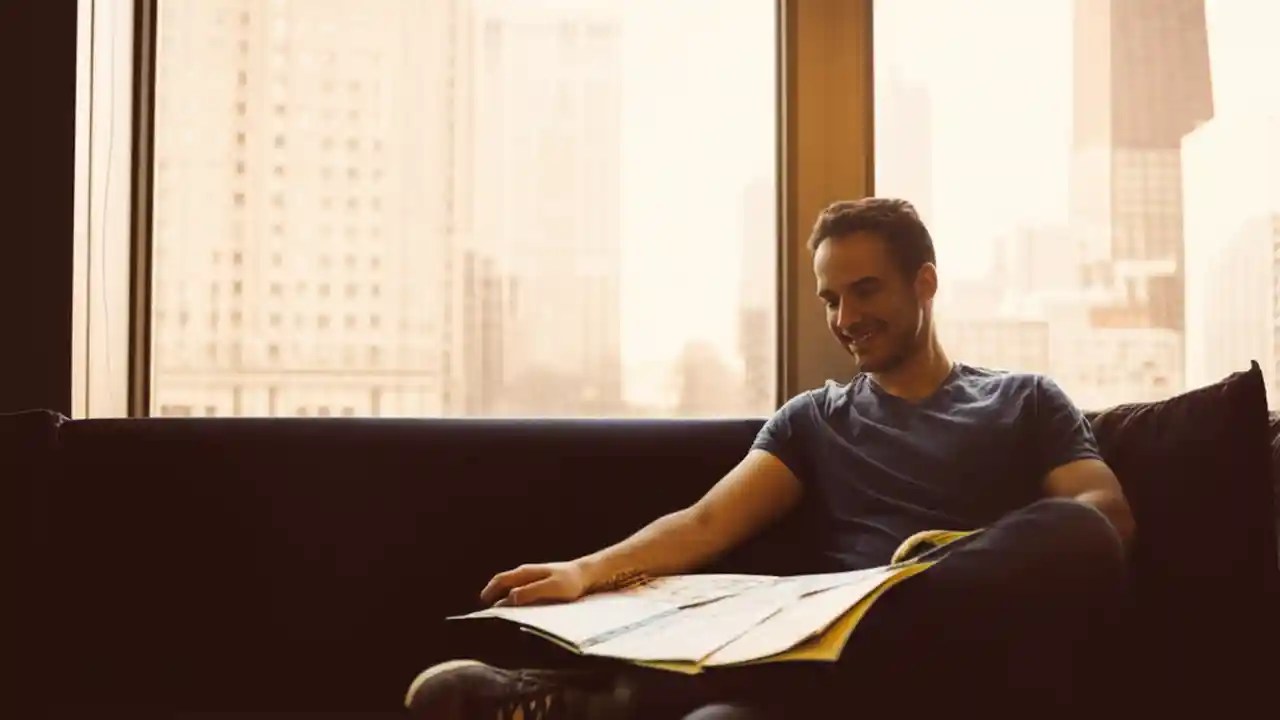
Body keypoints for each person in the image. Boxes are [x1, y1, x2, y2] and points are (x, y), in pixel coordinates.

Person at [405, 198, 1135, 719]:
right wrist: (583, 571)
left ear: (926, 283)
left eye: (865, 290)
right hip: (836, 665)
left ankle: (610, 701)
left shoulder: (1024, 398)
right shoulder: (815, 420)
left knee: (1076, 534)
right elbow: (704, 524)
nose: (845, 319)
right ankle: (644, 697)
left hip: (978, 665)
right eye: (830, 299)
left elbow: (1105, 517)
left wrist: (942, 564)